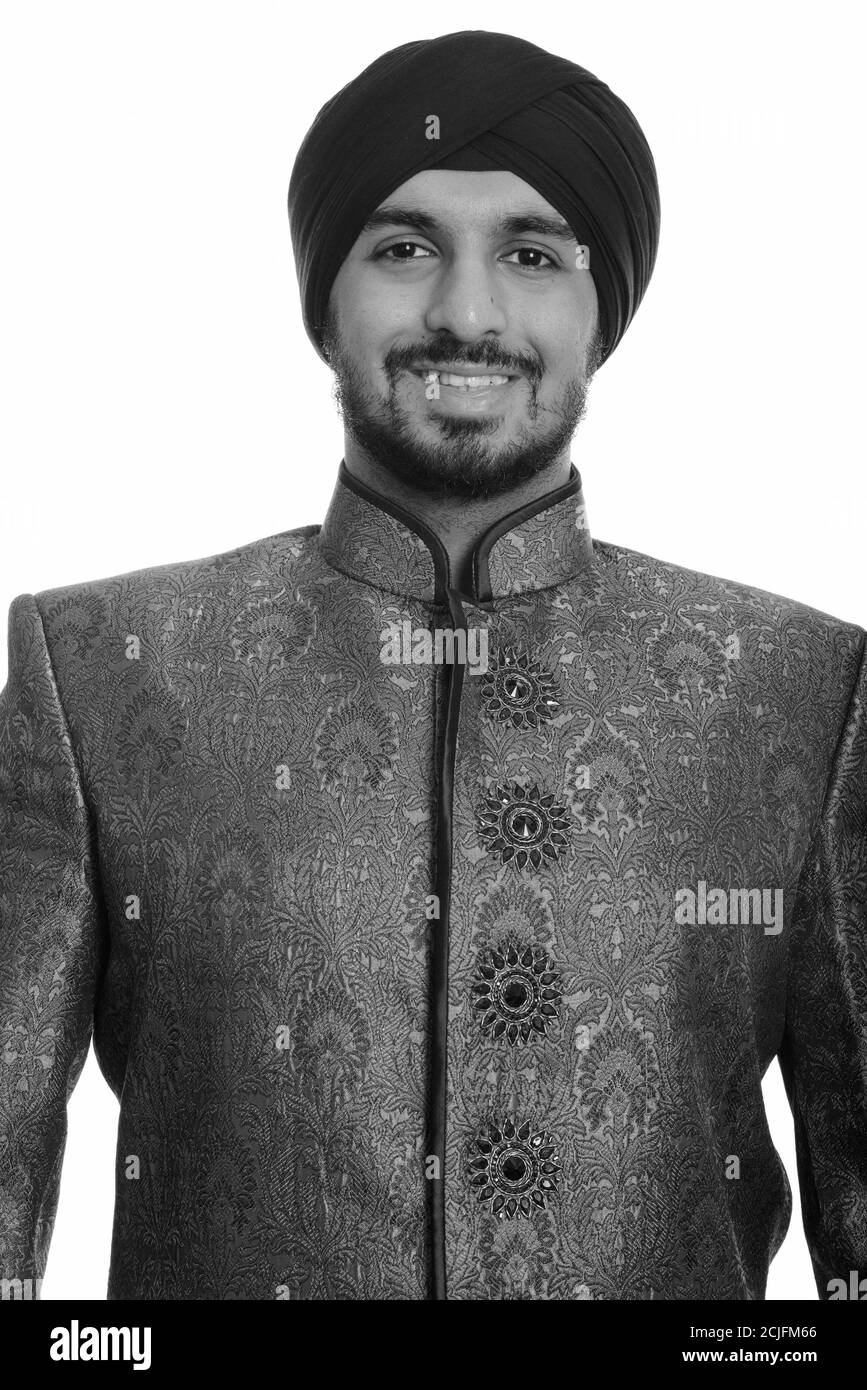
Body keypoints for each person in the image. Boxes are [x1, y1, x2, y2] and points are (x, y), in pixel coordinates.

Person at [1, 30, 864, 1302]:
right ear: (325, 295)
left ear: (601, 305)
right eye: (404, 248)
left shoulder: (798, 690)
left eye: (532, 254)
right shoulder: (105, 675)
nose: (466, 312)